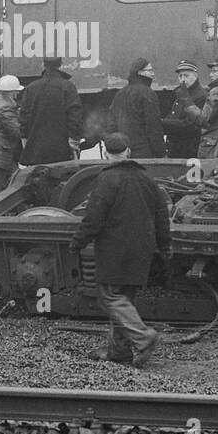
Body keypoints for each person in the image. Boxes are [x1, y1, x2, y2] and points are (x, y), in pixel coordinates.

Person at [69, 132, 170, 368]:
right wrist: (165, 247)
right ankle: (119, 352)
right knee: (125, 300)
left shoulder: (106, 180)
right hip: (143, 249)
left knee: (110, 297)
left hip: (115, 250)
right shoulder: (147, 178)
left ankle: (143, 337)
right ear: (129, 152)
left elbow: (94, 218)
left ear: (106, 154)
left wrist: (78, 242)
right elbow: (162, 216)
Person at [20, 55, 84, 164]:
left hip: (36, 147)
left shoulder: (31, 88)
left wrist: (25, 137)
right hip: (61, 147)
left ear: (43, 65)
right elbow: (74, 115)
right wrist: (74, 138)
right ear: (60, 65)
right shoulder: (68, 86)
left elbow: (24, 116)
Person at [109, 57, 166, 158]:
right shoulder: (148, 94)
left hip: (124, 152)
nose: (153, 74)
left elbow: (112, 123)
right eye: (150, 70)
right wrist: (160, 153)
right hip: (144, 153)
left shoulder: (120, 94)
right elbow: (153, 126)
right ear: (139, 72)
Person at [162, 60, 208, 157]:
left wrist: (163, 123)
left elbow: (191, 125)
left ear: (195, 76)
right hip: (176, 145)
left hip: (190, 148)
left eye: (186, 76)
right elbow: (173, 115)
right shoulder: (179, 92)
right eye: (180, 76)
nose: (182, 79)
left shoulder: (201, 96)